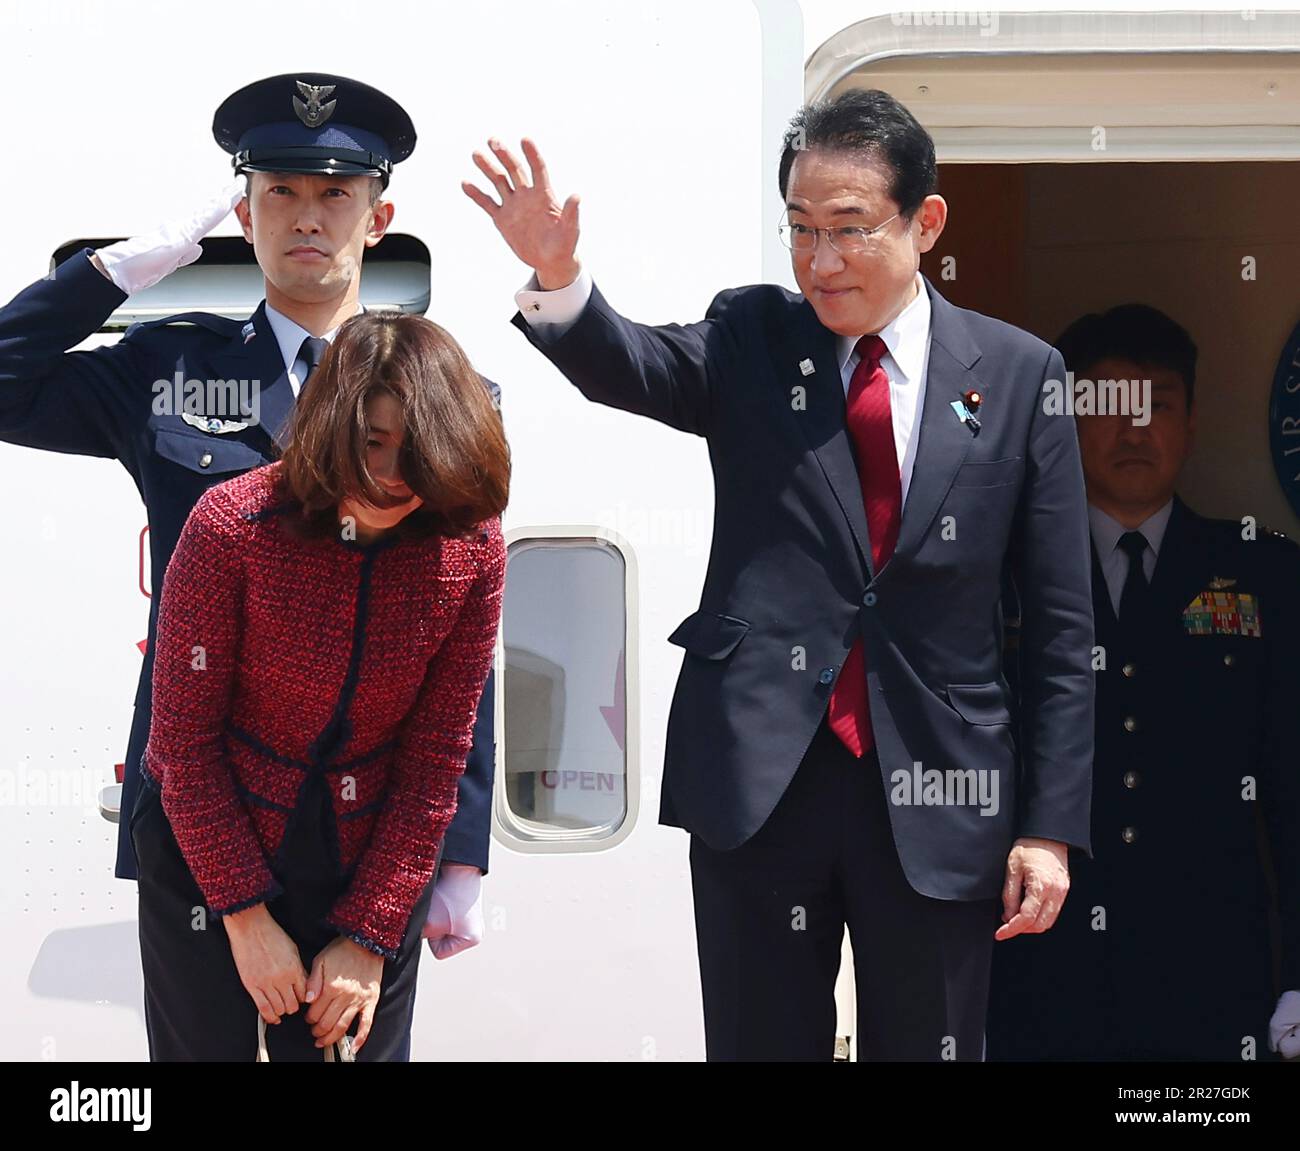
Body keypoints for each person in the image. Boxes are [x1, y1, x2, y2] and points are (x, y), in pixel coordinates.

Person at [464, 89, 1095, 1061]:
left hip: (937, 787)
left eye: (849, 230)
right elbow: (629, 363)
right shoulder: (755, 337)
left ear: (925, 223)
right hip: (761, 781)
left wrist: (1048, 829)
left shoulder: (1018, 374)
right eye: (800, 230)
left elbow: (1059, 630)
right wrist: (559, 279)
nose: (820, 261)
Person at [0, 73, 497, 963]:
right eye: (282, 193)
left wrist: (460, 845)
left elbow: (460, 643)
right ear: (245, 213)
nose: (307, 217)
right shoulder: (169, 365)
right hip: (197, 802)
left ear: (378, 219)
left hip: (370, 819)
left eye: (335, 194)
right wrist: (110, 273)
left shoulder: (448, 397)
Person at [134, 310, 509, 1060]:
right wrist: (244, 916)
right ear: (334, 425)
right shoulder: (231, 527)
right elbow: (181, 746)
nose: (394, 477)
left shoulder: (471, 548)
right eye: (374, 442)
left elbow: (436, 758)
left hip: (369, 852)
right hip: (206, 835)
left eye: (420, 453)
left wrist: (370, 933)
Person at [986, 304, 1300, 1061]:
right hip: (1040, 959)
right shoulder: (1000, 576)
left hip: (1212, 963)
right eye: (1110, 408)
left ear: (1191, 422)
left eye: (1157, 405)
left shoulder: (1263, 571)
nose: (1135, 431)